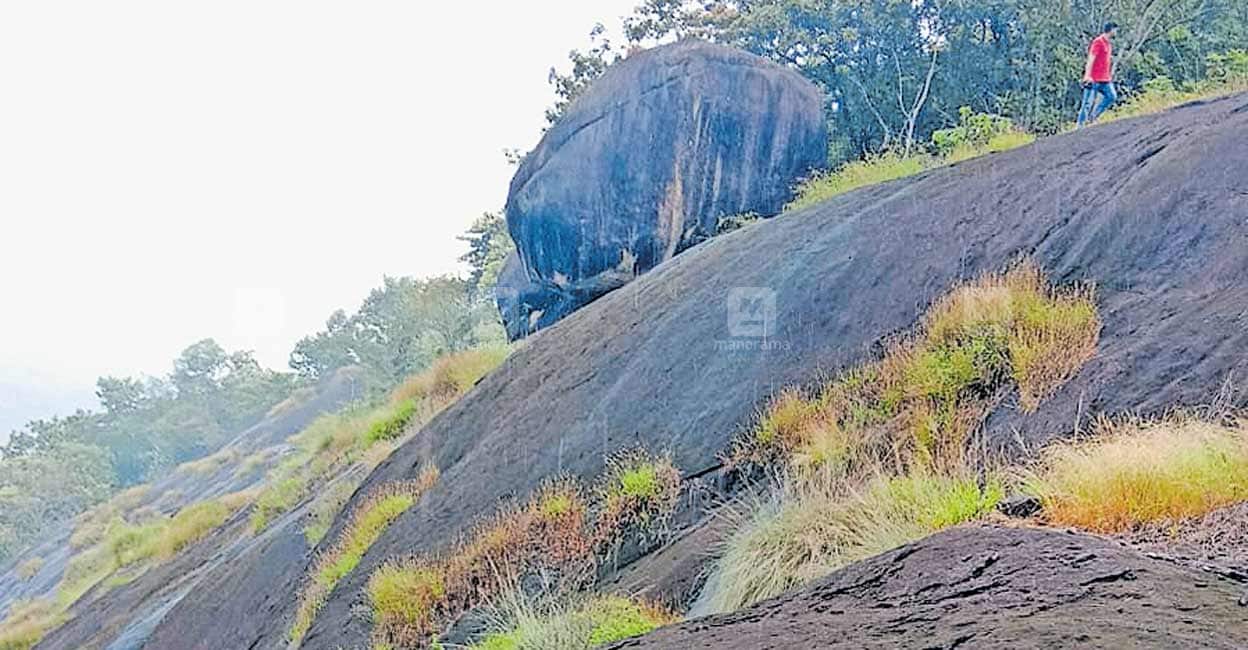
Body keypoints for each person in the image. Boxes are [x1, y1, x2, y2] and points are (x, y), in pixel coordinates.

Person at [1077, 22, 1120, 126]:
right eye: (1115, 30)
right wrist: (1087, 75)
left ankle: (1093, 117)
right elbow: (1091, 58)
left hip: (1105, 79)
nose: (1116, 32)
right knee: (1087, 103)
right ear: (1111, 30)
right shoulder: (1098, 42)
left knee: (1112, 96)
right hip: (1094, 79)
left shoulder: (1108, 44)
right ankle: (1080, 126)